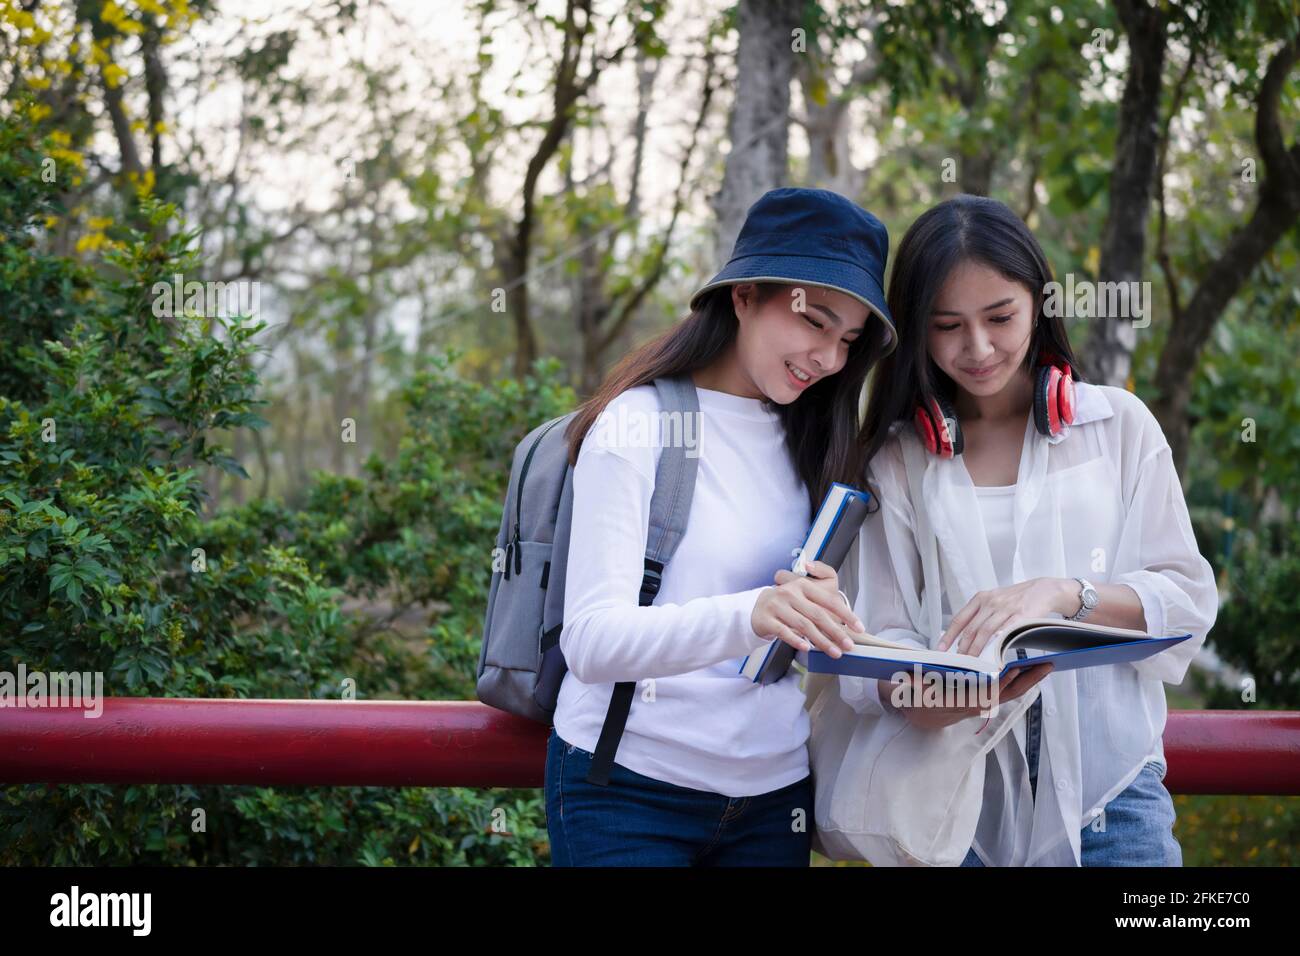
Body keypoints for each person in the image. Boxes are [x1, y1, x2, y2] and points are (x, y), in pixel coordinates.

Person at [839, 194, 1219, 866]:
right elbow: (879, 641)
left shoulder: (1117, 427)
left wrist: (1063, 594)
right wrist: (936, 698)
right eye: (947, 325)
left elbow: (1185, 598)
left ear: (1040, 304)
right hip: (958, 800)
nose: (978, 348)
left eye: (1000, 317)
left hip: (1112, 792)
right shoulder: (898, 460)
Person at [545, 187, 897, 866]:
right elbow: (590, 640)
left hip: (772, 798)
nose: (828, 357)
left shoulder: (818, 438)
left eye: (848, 340)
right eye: (814, 322)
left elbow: (806, 635)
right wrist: (758, 611)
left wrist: (823, 611)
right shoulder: (638, 424)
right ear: (743, 296)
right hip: (627, 792)